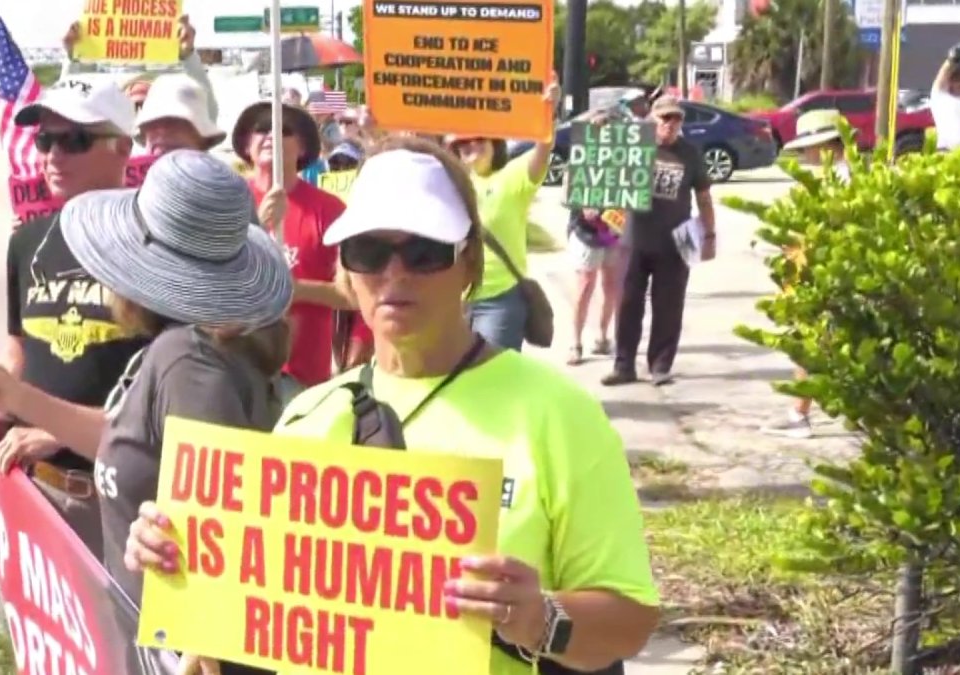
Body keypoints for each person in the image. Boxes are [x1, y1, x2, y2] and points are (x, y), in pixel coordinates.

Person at [122, 136, 660, 675]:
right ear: (346, 269)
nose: (394, 275)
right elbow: (243, 629)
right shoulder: (308, 417)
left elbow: (630, 622)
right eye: (370, 252)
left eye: (425, 252)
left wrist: (539, 618)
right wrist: (181, 568)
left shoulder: (558, 415)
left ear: (468, 261)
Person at [0, 150, 293, 607]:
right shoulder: (178, 348)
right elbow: (122, 437)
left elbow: (222, 548)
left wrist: (156, 546)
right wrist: (14, 397)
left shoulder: (188, 364)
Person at [0, 77, 144, 559]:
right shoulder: (28, 241)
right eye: (45, 139)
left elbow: (165, 390)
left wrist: (55, 429)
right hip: (38, 489)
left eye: (75, 140)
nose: (53, 155)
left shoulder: (154, 245)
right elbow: (19, 347)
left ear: (123, 147)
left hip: (119, 498)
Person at [231, 101, 353, 389]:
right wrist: (256, 230)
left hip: (304, 376)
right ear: (247, 146)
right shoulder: (227, 201)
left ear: (302, 148)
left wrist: (296, 290)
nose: (271, 135)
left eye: (284, 130)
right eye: (261, 128)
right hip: (236, 367)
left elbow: (353, 295)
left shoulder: (330, 210)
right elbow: (206, 280)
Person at [604, 95, 716, 387]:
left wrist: (710, 235)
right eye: (665, 118)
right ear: (651, 119)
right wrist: (595, 203)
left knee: (669, 306)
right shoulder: (632, 147)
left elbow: (703, 197)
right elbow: (603, 173)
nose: (670, 123)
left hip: (677, 241)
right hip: (633, 238)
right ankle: (623, 365)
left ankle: (661, 366)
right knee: (628, 305)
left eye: (676, 118)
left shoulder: (690, 153)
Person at [450, 75, 561, 350]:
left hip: (500, 300)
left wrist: (549, 110)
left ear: (494, 142)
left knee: (493, 380)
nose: (471, 146)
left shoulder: (512, 177)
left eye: (479, 139)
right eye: (464, 144)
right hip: (453, 300)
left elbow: (543, 147)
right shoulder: (450, 183)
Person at [760, 109, 851, 439]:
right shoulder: (850, 173)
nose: (804, 154)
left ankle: (799, 415)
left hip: (826, 275)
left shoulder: (837, 181)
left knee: (809, 345)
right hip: (832, 272)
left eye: (807, 147)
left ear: (825, 144)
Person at [61, 16, 217, 120]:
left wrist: (188, 56)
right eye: (137, 105)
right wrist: (75, 56)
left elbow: (207, 117)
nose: (141, 110)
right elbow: (71, 111)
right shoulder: (106, 136)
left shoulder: (172, 137)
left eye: (144, 104)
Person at [566, 207, 625, 365]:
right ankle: (575, 343)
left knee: (611, 287)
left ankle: (603, 338)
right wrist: (581, 209)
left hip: (615, 233)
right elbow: (570, 191)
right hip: (587, 235)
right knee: (585, 287)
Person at [134, 73, 227, 156]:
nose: (161, 130)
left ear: (203, 141)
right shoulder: (124, 172)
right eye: (151, 123)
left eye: (173, 121)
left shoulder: (220, 175)